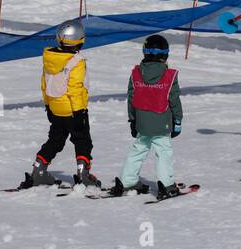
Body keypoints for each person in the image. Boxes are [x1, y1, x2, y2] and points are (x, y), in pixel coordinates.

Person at [24, 19, 96, 188]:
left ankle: (39, 170)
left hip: (56, 107)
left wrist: (48, 105)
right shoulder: (76, 61)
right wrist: (79, 112)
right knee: (82, 141)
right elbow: (75, 88)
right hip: (73, 110)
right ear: (80, 41)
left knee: (55, 140)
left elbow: (45, 84)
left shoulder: (50, 58)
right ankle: (83, 174)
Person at [113, 34, 183, 200]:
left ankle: (128, 180)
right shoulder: (169, 75)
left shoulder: (136, 73)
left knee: (138, 149)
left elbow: (131, 97)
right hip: (161, 122)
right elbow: (174, 100)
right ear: (165, 55)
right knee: (163, 152)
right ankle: (166, 185)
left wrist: (132, 119)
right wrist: (177, 120)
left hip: (142, 122)